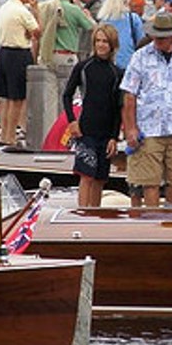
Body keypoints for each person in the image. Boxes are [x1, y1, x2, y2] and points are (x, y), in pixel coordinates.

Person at [121, 12, 172, 208]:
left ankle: (167, 213)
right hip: (148, 128)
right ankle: (152, 221)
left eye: (161, 37)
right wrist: (131, 128)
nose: (156, 41)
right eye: (155, 36)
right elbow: (129, 95)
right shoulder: (140, 57)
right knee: (150, 182)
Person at [62, 24, 123, 207]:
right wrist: (72, 121)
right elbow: (66, 95)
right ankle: (82, 213)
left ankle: (95, 215)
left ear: (112, 45)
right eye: (98, 41)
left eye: (105, 41)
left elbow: (118, 108)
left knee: (100, 179)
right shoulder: (83, 67)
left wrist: (114, 137)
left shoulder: (117, 73)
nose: (101, 45)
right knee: (86, 176)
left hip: (106, 134)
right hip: (85, 130)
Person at [0, 0, 42, 147]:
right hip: (18, 54)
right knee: (17, 99)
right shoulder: (22, 11)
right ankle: (10, 137)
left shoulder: (5, 7)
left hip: (3, 53)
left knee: (7, 98)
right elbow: (37, 32)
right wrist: (36, 10)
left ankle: (5, 134)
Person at [98, 0, 144, 70]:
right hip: (128, 62)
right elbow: (141, 41)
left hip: (108, 63)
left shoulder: (103, 20)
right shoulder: (132, 18)